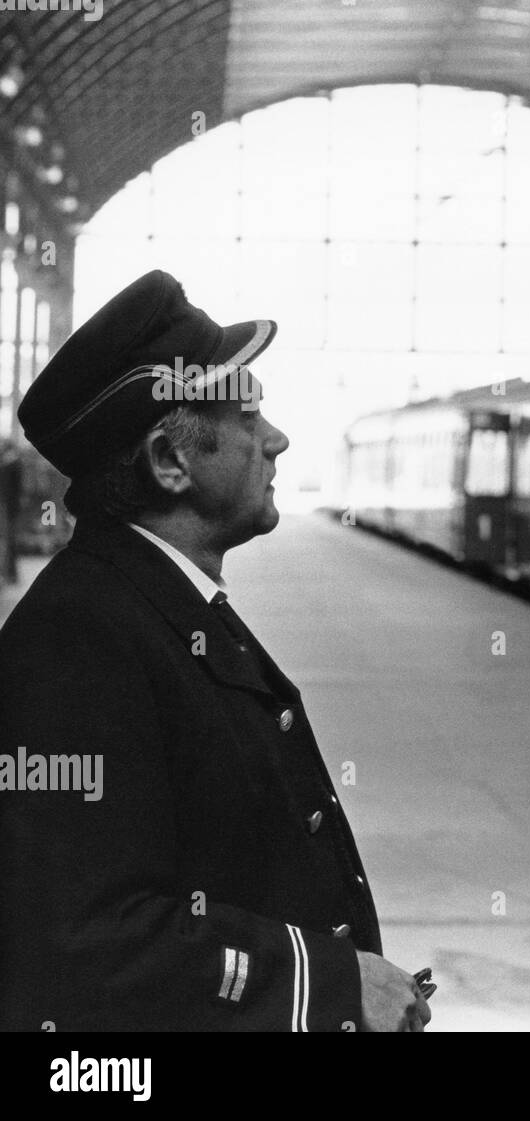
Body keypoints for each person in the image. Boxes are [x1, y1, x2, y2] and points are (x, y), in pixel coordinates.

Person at [0, 271, 431, 1031]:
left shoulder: (152, 603)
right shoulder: (78, 640)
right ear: (171, 460)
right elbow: (82, 940)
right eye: (249, 410)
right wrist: (327, 985)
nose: (277, 437)